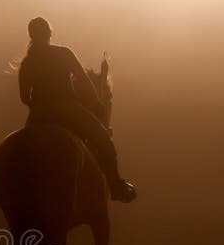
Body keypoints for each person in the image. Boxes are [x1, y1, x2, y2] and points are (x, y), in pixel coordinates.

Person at [18, 16, 137, 202]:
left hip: (39, 115)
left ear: (32, 35)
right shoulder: (64, 53)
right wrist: (97, 104)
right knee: (103, 138)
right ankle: (116, 186)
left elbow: (25, 98)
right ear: (50, 33)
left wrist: (40, 106)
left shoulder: (27, 63)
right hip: (68, 109)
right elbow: (84, 80)